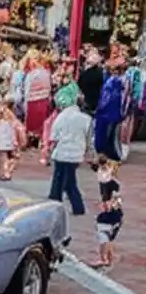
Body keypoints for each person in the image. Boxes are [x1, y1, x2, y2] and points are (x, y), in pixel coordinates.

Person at [48, 85, 91, 216]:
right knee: (68, 179)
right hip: (76, 153)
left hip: (61, 152)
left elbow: (54, 136)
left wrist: (50, 149)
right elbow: (89, 137)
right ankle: (72, 205)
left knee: (60, 180)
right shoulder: (86, 119)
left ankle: (63, 203)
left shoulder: (60, 117)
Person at [92, 156, 123, 269]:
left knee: (104, 233)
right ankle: (107, 258)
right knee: (106, 235)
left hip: (112, 214)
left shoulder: (112, 184)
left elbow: (117, 199)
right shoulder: (106, 181)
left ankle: (104, 259)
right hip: (112, 213)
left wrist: (110, 205)